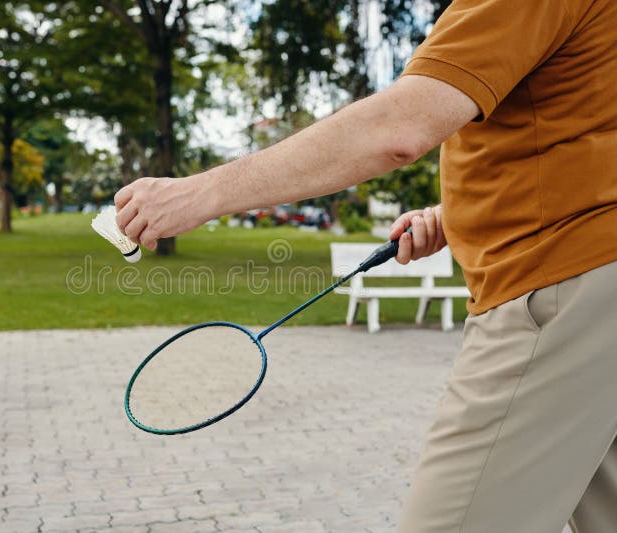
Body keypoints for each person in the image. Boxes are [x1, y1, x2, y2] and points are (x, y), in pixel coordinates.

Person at [114, 0, 617, 530]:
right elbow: (582, 132)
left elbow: (399, 129)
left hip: (561, 285)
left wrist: (200, 192)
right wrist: (457, 215)